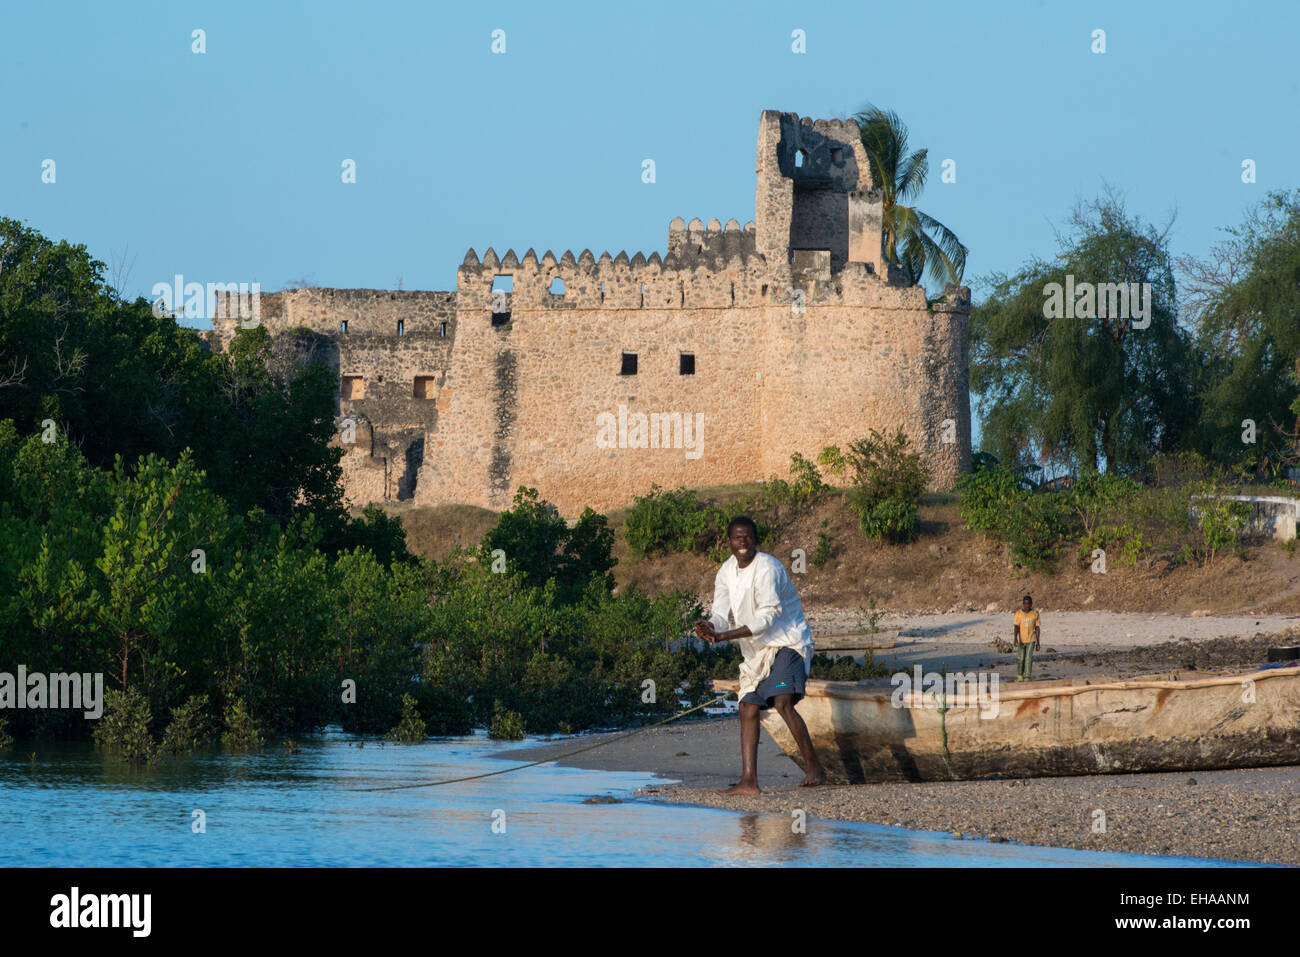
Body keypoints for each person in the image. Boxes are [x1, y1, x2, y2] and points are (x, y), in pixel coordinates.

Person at [694, 516, 825, 794]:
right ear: (728, 542)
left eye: (748, 537)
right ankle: (749, 781)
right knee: (747, 707)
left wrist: (724, 636)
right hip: (755, 651)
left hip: (787, 642)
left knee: (782, 701)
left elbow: (767, 618)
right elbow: (720, 614)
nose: (743, 542)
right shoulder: (726, 572)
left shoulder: (768, 568)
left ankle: (815, 767)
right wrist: (709, 627)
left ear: (755, 539)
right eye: (737, 537)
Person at [1013, 594, 1041, 681]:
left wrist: (1038, 642)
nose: (1027, 606)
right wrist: (1015, 639)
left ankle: (1027, 676)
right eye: (1025, 604)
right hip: (1021, 640)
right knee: (1021, 659)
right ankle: (1020, 675)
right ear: (1023, 604)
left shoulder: (1034, 614)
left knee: (1028, 658)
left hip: (1031, 640)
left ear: (1031, 604)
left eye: (1028, 604)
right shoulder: (1018, 614)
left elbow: (1037, 628)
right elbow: (1016, 627)